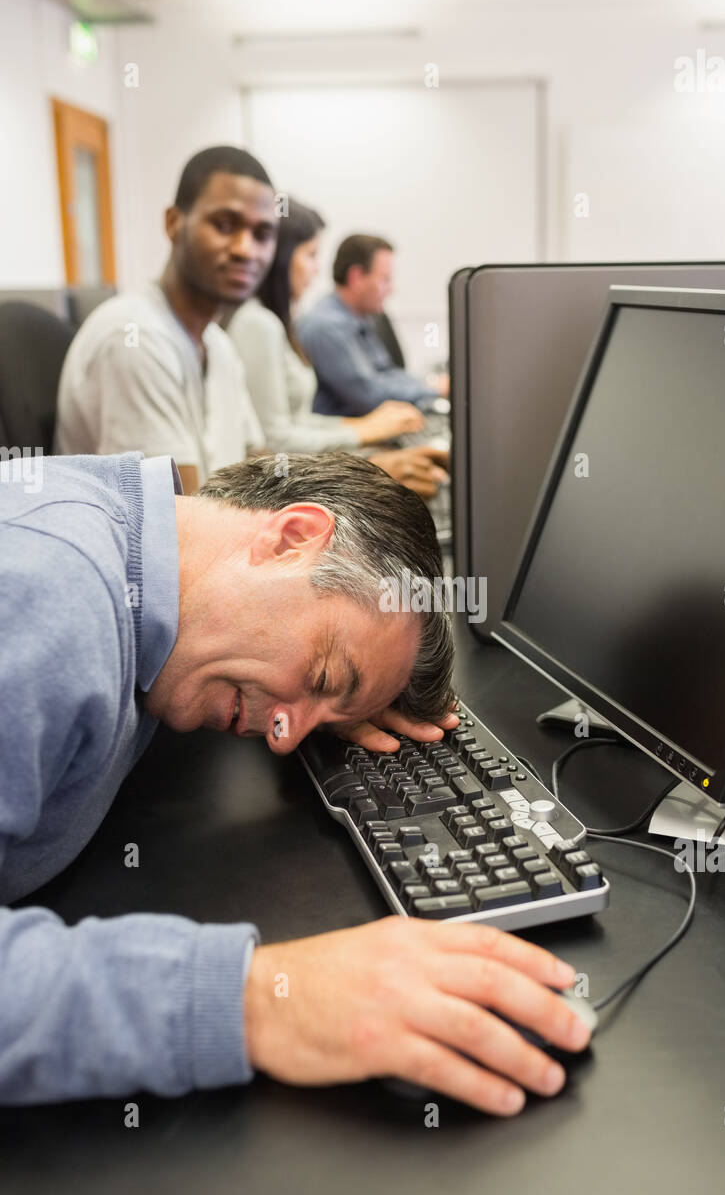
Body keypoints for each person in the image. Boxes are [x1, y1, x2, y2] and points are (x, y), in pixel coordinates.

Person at [0, 450, 590, 1116]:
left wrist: (326, 701)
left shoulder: (144, 567)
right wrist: (261, 1000)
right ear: (290, 539)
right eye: (322, 677)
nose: (285, 737)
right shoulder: (53, 592)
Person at [55, 146, 278, 495]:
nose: (245, 250)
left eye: (262, 234)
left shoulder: (218, 344)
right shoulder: (134, 337)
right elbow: (178, 521)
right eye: (224, 225)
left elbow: (260, 471)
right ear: (174, 222)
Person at [227, 202, 449, 500]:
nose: (317, 269)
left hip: (304, 462)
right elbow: (274, 439)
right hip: (285, 483)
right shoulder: (262, 324)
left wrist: (362, 427)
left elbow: (297, 418)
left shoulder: (278, 322)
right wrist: (364, 433)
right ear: (281, 257)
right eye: (310, 255)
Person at [297, 234, 450, 420]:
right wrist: (434, 390)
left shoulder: (359, 318)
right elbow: (370, 397)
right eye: (385, 279)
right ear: (357, 277)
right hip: (345, 441)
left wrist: (429, 386)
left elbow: (387, 373)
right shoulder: (326, 327)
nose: (391, 289)